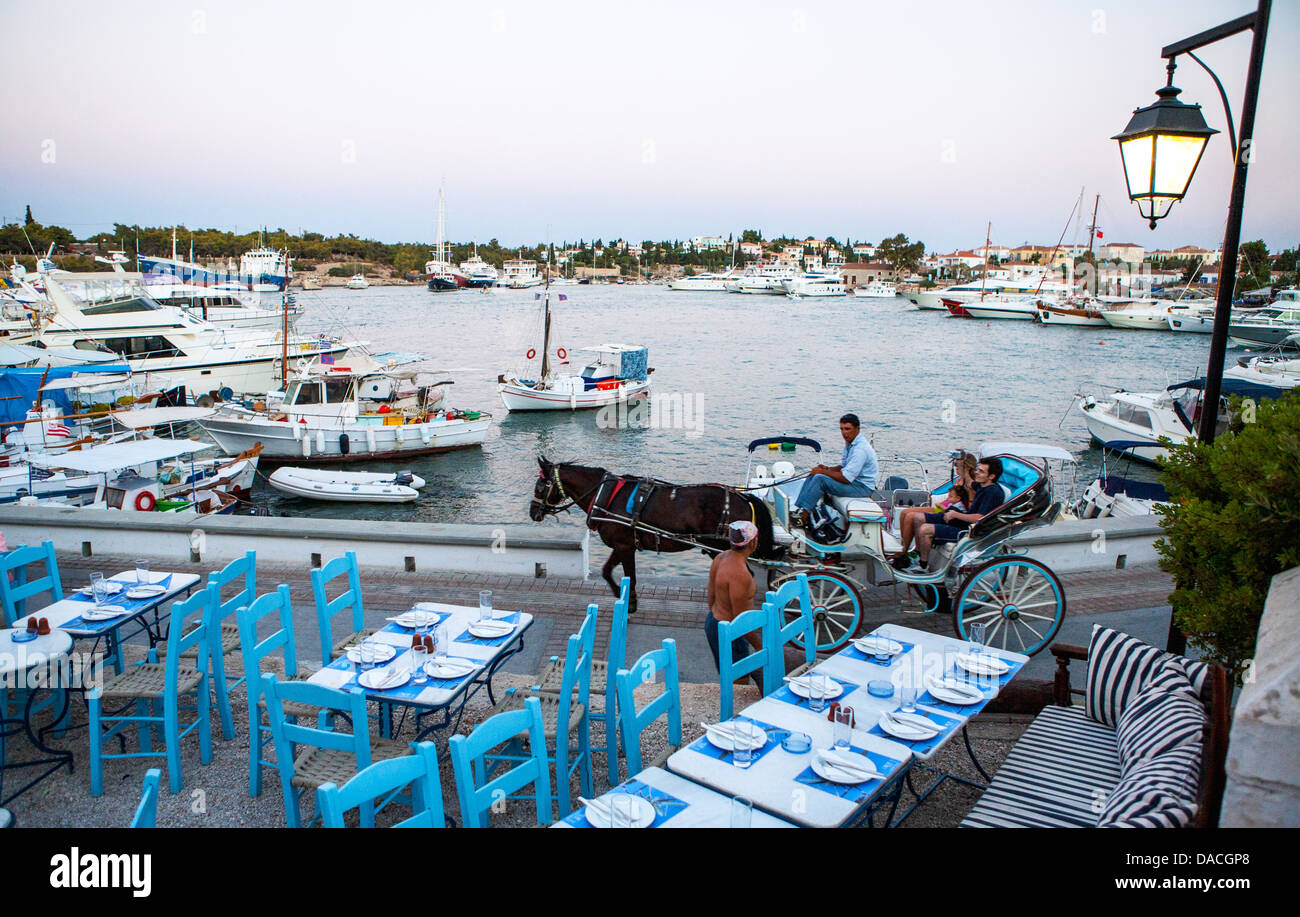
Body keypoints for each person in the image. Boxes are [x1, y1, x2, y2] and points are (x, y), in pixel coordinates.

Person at [908, 457, 1006, 573]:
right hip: (962, 521)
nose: (977, 473)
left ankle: (922, 566)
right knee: (917, 518)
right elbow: (969, 481)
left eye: (981, 471)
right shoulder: (982, 485)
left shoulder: (992, 492)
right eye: (977, 469)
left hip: (967, 531)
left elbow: (979, 517)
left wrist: (955, 514)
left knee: (925, 529)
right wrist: (961, 462)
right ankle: (917, 555)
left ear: (992, 476)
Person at [791, 414, 878, 527]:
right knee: (814, 474)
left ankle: (804, 516)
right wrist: (825, 468)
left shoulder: (860, 449)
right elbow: (843, 466)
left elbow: (846, 478)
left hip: (862, 488)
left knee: (820, 479)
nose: (844, 432)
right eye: (842, 429)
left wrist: (823, 472)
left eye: (847, 429)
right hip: (854, 482)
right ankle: (799, 509)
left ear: (857, 429)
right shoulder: (850, 443)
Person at [705, 521, 763, 687]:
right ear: (752, 542)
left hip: (713, 623)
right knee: (739, 683)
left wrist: (718, 614)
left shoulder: (720, 557)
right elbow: (740, 621)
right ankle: (731, 712)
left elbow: (711, 597)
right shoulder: (740, 575)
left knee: (728, 675)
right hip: (731, 633)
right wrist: (760, 647)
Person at [895, 451, 977, 559]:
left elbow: (969, 507)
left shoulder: (971, 485)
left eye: (957, 465)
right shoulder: (959, 480)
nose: (955, 467)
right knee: (904, 513)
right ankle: (903, 549)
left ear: (966, 466)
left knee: (910, 516)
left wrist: (943, 508)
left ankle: (902, 554)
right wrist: (940, 506)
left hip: (953, 513)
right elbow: (949, 500)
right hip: (945, 508)